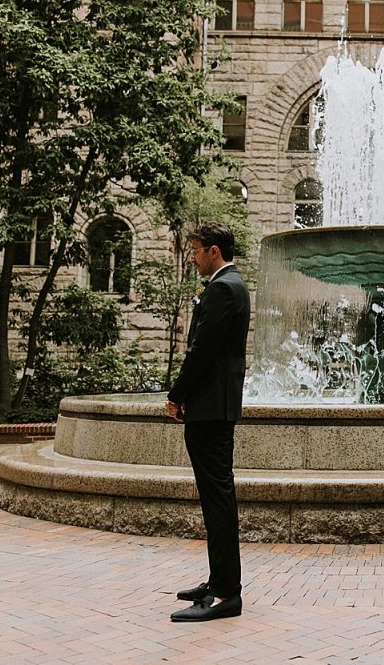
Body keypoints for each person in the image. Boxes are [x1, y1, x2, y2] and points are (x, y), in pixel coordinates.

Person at [165, 222, 250, 623]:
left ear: (213, 251)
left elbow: (202, 352)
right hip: (215, 405)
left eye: (195, 250)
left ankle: (226, 594)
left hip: (210, 407)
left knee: (217, 498)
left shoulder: (222, 288)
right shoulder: (231, 284)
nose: (192, 256)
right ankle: (218, 582)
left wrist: (176, 395)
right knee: (217, 497)